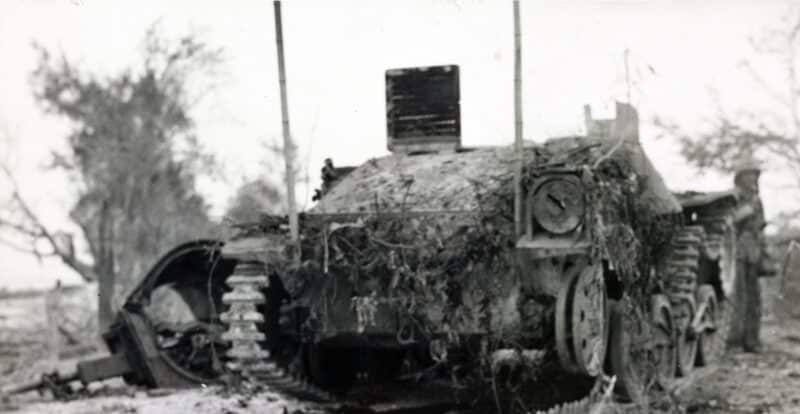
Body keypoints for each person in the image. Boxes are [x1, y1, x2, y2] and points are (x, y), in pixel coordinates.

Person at [728, 158, 766, 353]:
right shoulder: (733, 198)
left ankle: (752, 341)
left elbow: (760, 228)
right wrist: (747, 211)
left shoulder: (757, 200)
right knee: (739, 297)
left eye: (754, 175)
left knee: (754, 298)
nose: (752, 178)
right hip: (737, 253)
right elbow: (730, 222)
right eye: (748, 175)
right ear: (740, 178)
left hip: (753, 252)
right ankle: (734, 341)